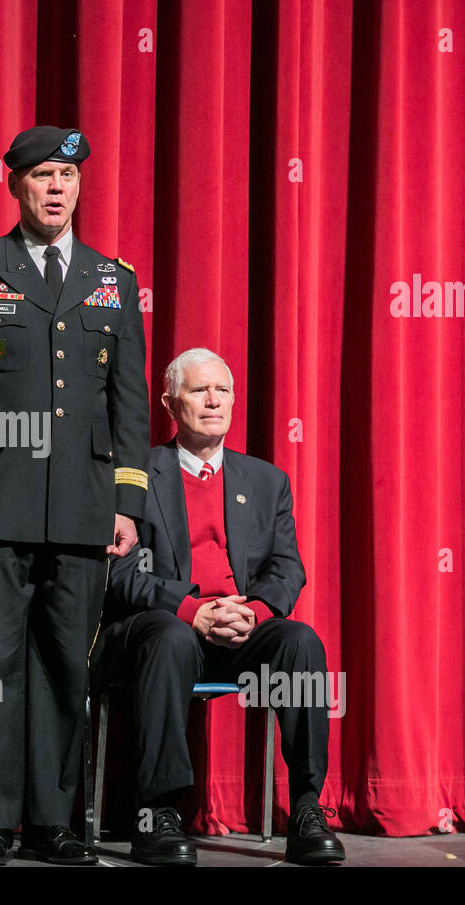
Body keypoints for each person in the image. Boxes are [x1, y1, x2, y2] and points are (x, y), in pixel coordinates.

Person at [0, 126, 150, 865]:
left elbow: (129, 401)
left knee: (61, 673)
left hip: (81, 512)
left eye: (67, 177)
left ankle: (54, 824)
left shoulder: (114, 280)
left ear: (80, 186)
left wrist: (127, 502)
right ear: (13, 185)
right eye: (42, 176)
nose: (55, 189)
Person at [101, 347, 345, 866]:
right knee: (168, 635)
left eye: (223, 390)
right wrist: (192, 611)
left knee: (300, 641)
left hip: (239, 628)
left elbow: (287, 568)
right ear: (170, 403)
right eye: (198, 390)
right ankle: (159, 814)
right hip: (160, 633)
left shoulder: (266, 481)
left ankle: (306, 808)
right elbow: (119, 575)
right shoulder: (136, 474)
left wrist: (254, 611)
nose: (214, 401)